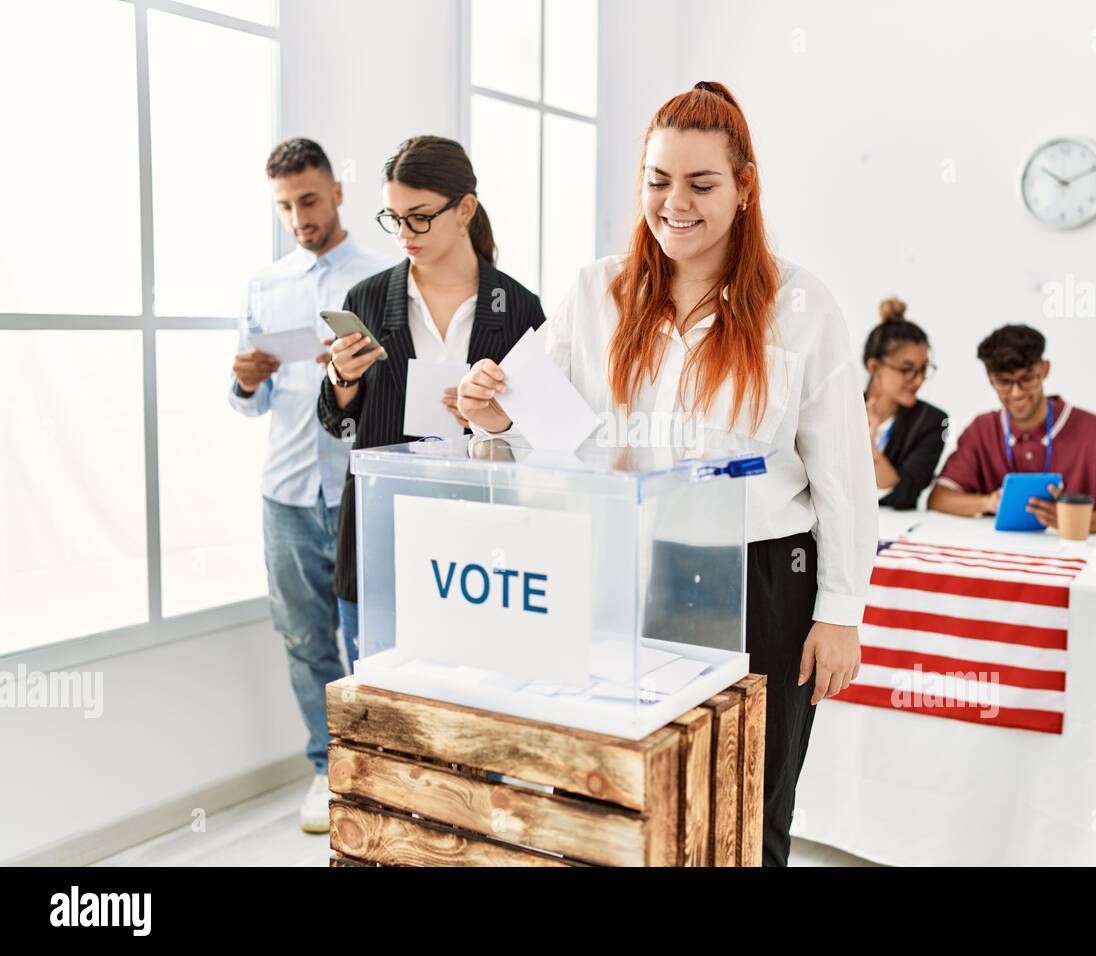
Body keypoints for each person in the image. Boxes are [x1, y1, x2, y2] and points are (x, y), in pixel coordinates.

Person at [457, 81, 877, 867]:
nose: (674, 203)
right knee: (632, 791)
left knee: (748, 803)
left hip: (764, 584)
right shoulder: (596, 293)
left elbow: (844, 477)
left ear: (745, 187)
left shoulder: (800, 306)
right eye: (657, 180)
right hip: (632, 571)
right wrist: (499, 417)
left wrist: (841, 611)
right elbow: (560, 437)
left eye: (701, 183)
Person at [317, 135, 545, 659]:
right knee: (379, 714)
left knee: (476, 702)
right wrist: (342, 380)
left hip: (484, 548)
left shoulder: (516, 308)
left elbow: (546, 437)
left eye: (418, 217)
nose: (403, 233)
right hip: (382, 534)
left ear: (465, 208)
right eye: (392, 218)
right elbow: (336, 422)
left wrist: (487, 419)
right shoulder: (368, 299)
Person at [229, 138, 394, 832]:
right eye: (285, 206)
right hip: (289, 493)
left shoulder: (384, 276)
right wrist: (244, 382)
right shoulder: (266, 285)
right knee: (304, 638)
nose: (299, 217)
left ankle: (381, 766)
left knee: (376, 640)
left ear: (337, 192)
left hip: (362, 486)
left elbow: (402, 386)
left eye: (309, 200)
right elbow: (250, 403)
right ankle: (330, 770)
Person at [928, 323, 1096, 531]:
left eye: (1027, 378)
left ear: (1044, 370)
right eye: (1004, 382)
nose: (1016, 392)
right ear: (990, 378)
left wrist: (1074, 521)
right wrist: (988, 503)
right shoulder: (981, 430)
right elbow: (939, 499)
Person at [864, 296, 948, 510]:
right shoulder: (839, 409)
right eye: (906, 369)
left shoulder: (933, 422)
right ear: (874, 368)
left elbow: (904, 495)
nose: (919, 380)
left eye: (923, 369)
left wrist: (869, 445)